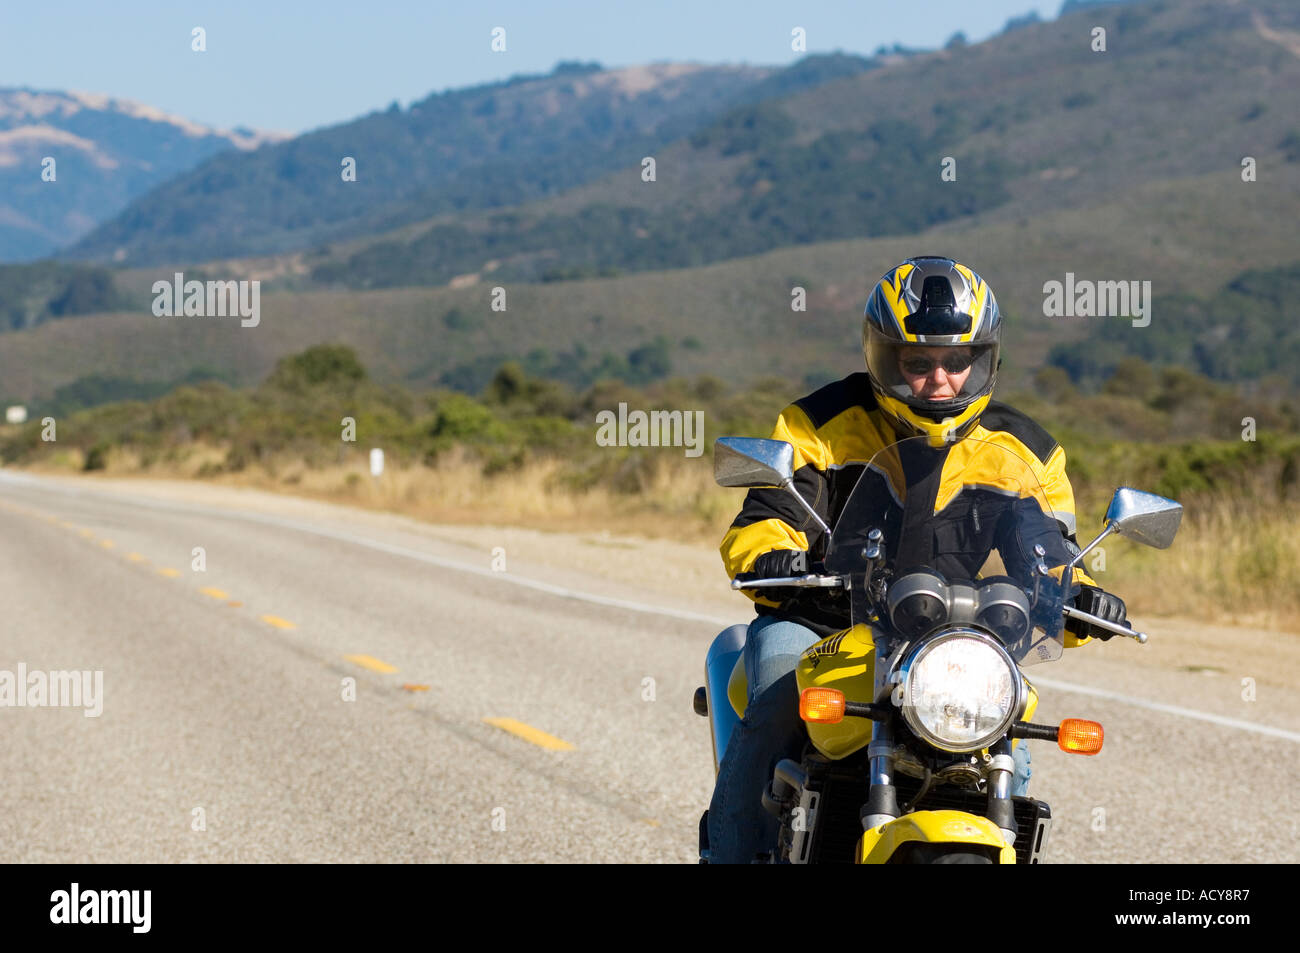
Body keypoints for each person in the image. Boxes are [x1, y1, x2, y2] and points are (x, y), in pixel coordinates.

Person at [706, 255, 1130, 863]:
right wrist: (775, 556)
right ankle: (731, 855)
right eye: (918, 362)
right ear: (883, 356)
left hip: (951, 639)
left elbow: (1050, 549)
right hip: (826, 624)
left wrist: (1078, 593)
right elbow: (769, 513)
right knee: (778, 685)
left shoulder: (1024, 452)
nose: (940, 380)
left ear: (984, 360)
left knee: (1010, 743)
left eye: (958, 362)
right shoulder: (820, 424)